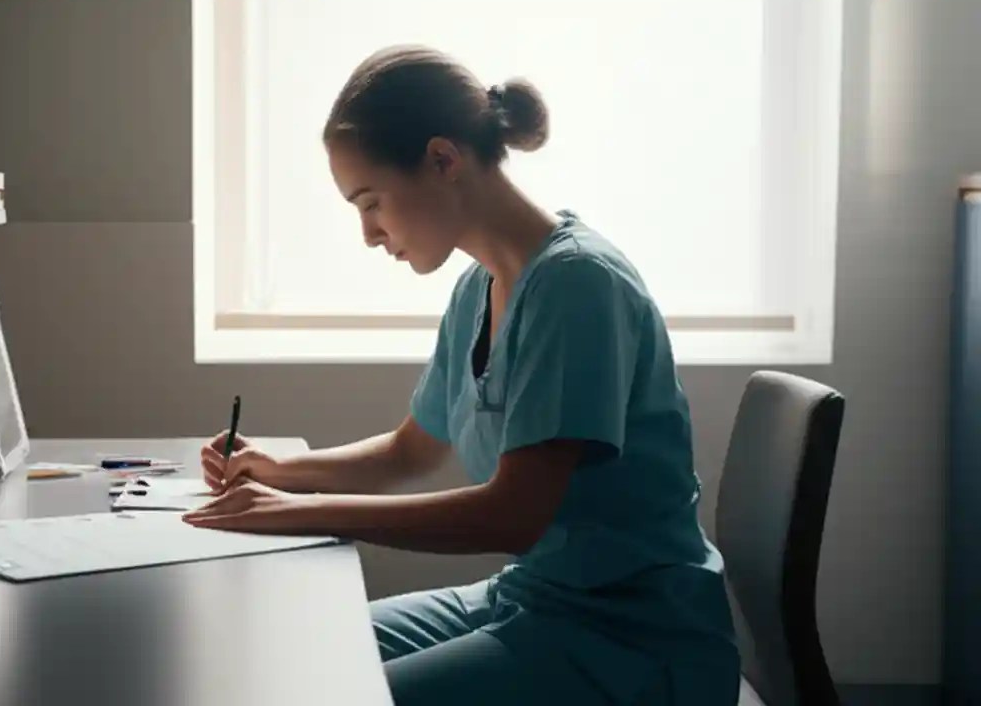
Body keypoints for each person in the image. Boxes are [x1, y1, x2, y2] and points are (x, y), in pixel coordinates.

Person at [182, 45, 741, 705]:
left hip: (633, 637)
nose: (368, 233)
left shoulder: (578, 285)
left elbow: (511, 516)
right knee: (287, 654)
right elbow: (410, 451)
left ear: (443, 160)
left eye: (371, 201)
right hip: (529, 597)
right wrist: (277, 473)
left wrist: (296, 514)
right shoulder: (479, 287)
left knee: (336, 693)